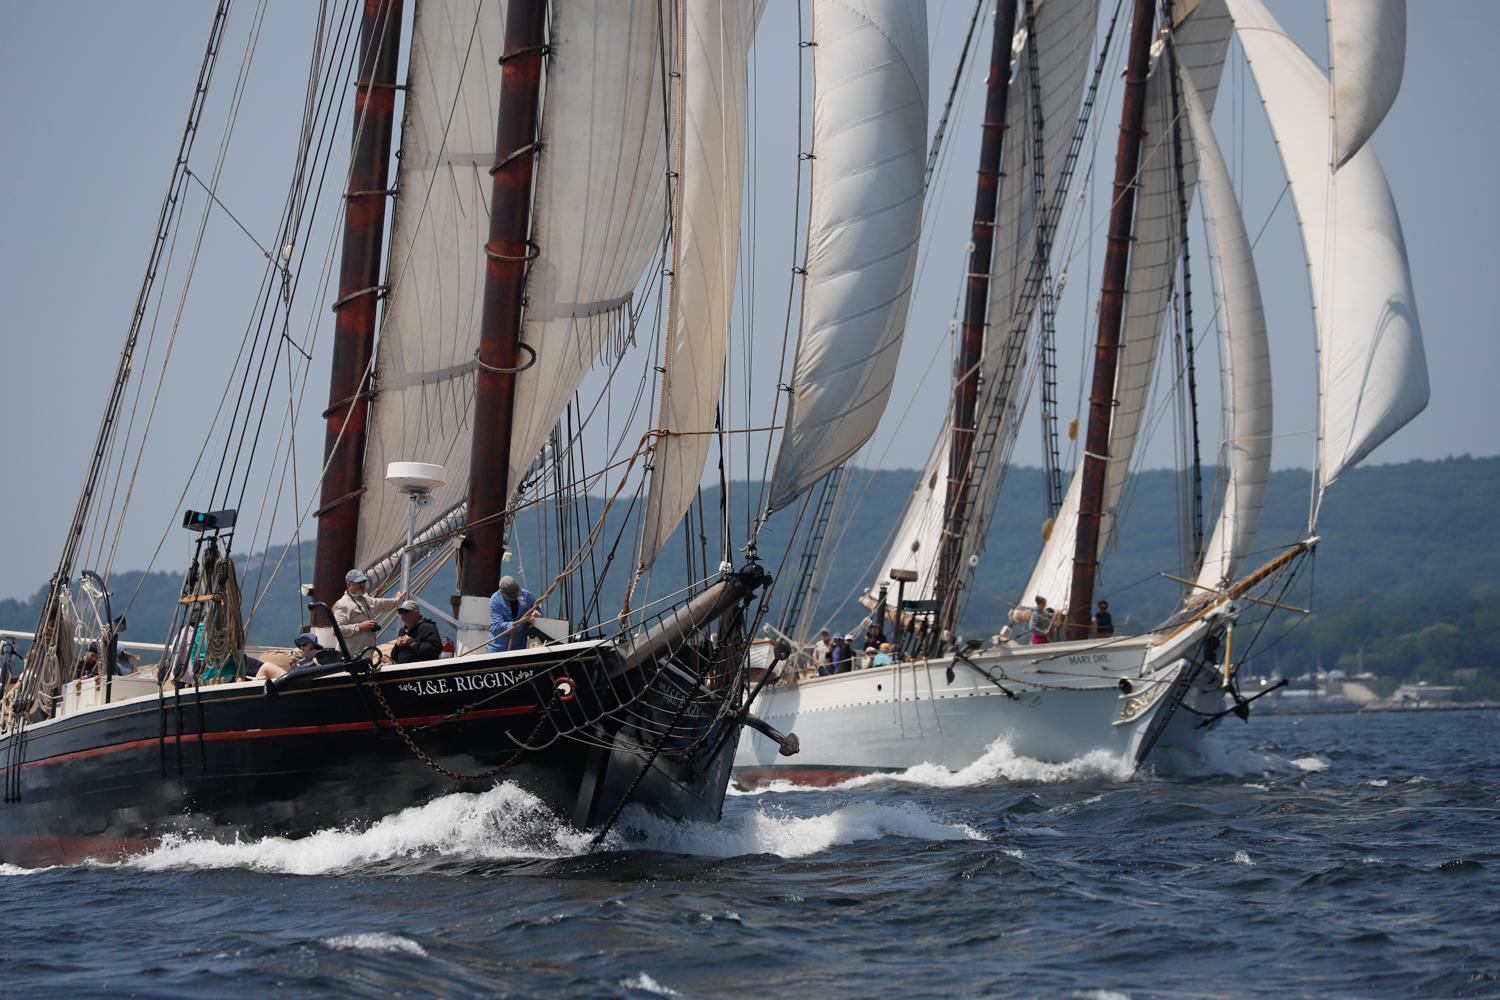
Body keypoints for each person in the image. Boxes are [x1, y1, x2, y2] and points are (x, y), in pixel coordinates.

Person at [331, 569, 405, 658]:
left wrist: (397, 600)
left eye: (364, 582)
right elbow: (336, 630)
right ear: (349, 584)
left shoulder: (365, 599)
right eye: (359, 582)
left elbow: (382, 603)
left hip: (366, 654)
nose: (362, 585)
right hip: (351, 657)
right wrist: (359, 627)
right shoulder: (343, 604)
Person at [487, 575, 538, 653]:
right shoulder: (495, 601)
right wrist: (518, 624)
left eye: (515, 591)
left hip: (519, 648)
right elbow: (497, 627)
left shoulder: (527, 596)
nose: (514, 595)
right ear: (502, 592)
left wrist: (536, 614)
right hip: (498, 649)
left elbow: (537, 609)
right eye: (511, 594)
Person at [390, 600, 443, 664]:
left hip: (422, 669)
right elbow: (393, 656)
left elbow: (435, 649)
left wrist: (411, 642)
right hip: (403, 670)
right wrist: (397, 645)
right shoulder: (402, 630)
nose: (403, 614)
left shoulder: (428, 627)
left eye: (406, 611)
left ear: (416, 613)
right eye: (401, 612)